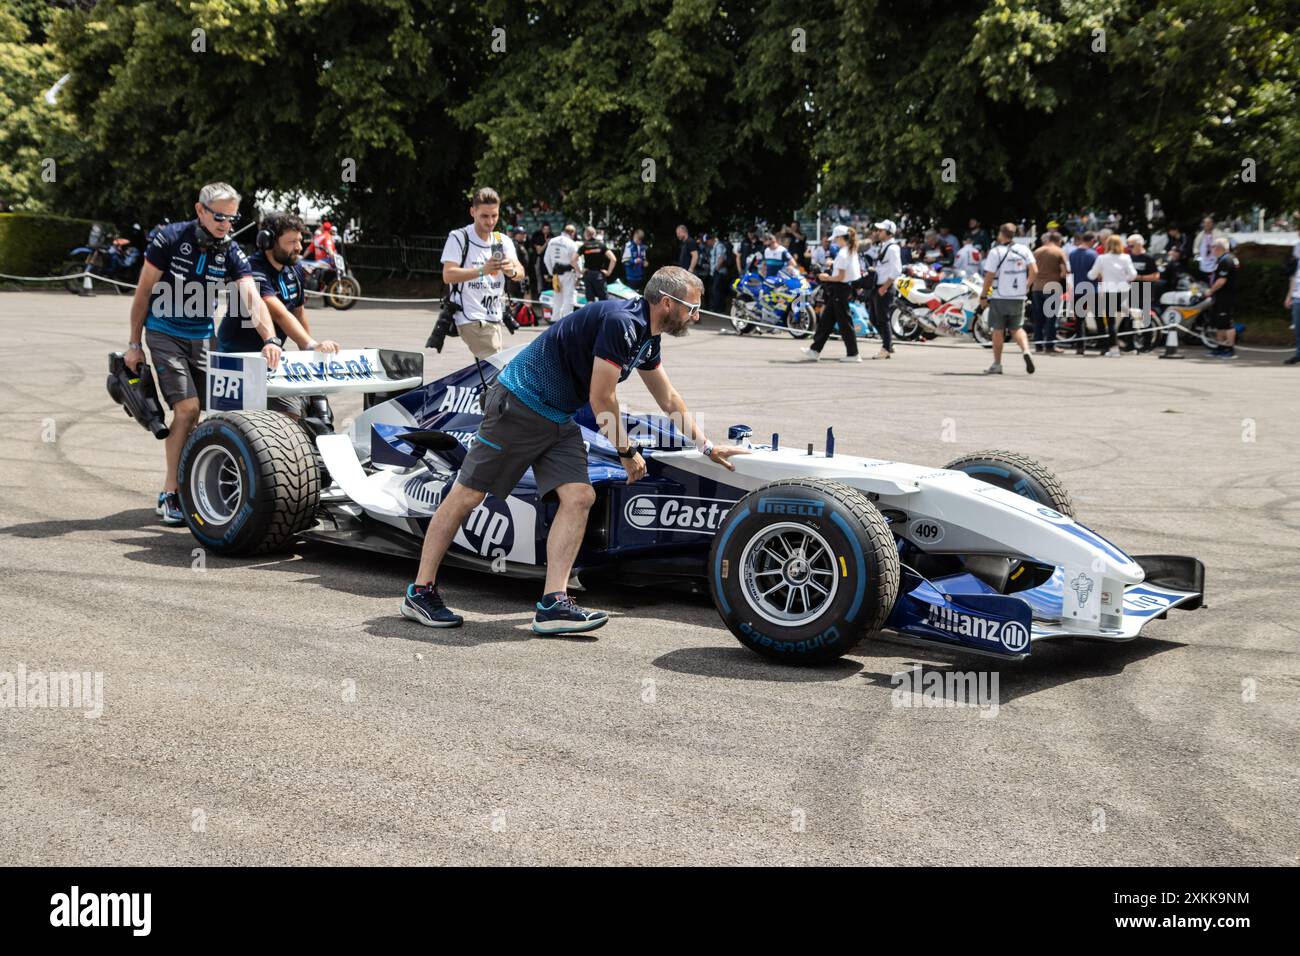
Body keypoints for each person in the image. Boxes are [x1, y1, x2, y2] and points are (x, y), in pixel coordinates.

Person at [399, 267, 750, 633]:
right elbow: (602, 398)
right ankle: (420, 592)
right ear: (666, 303)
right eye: (692, 309)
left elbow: (667, 397)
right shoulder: (621, 323)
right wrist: (626, 451)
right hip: (519, 404)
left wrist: (706, 446)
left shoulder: (648, 335)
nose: (695, 317)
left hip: (557, 416)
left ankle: (553, 603)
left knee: (580, 496)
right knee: (468, 494)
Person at [125, 182, 280, 525]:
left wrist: (270, 339)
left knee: (205, 413)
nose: (225, 224)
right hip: (164, 332)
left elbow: (251, 297)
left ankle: (192, 481)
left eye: (231, 218)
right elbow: (143, 292)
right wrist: (135, 344)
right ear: (200, 210)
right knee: (186, 409)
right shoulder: (169, 238)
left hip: (203, 336)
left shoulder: (231, 251)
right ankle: (170, 493)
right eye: (219, 216)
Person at [216, 211, 342, 417]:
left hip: (271, 359)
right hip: (237, 360)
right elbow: (280, 314)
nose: (299, 247)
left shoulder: (295, 269)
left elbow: (299, 313)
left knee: (298, 416)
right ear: (268, 242)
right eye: (291, 241)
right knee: (243, 423)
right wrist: (311, 345)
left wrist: (309, 348)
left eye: (300, 240)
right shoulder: (250, 269)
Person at [441, 187, 525, 359]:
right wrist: (482, 271)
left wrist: (511, 270)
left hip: (495, 316)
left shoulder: (501, 240)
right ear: (473, 211)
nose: (490, 221)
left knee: (486, 372)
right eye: (484, 216)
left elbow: (521, 272)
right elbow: (448, 275)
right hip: (470, 317)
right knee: (496, 368)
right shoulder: (459, 237)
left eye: (494, 215)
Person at [978, 222, 1037, 374]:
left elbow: (989, 276)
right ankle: (1026, 351)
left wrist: (984, 295)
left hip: (1000, 296)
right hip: (1018, 296)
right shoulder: (1024, 250)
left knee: (998, 330)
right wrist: (1027, 285)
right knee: (1017, 328)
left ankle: (997, 364)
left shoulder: (995, 252)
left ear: (1001, 234)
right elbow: (1034, 270)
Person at [801, 225, 861, 362]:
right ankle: (814, 350)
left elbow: (840, 277)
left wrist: (826, 277)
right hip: (843, 289)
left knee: (844, 322)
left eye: (835, 239)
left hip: (840, 288)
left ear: (840, 237)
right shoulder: (850, 250)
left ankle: (853, 354)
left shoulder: (843, 253)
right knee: (826, 321)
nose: (834, 241)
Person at [1086, 234, 1137, 357]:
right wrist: (1124, 278)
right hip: (1124, 290)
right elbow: (1133, 275)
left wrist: (1098, 274)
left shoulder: (1102, 258)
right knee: (1127, 317)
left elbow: (1092, 275)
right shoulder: (1126, 257)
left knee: (1111, 320)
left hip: (1110, 291)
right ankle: (1130, 345)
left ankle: (1114, 348)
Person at [1031, 230, 1070, 354]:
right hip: (1052, 288)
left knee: (1038, 319)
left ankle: (1038, 345)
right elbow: (1064, 272)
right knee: (1051, 318)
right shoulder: (1059, 252)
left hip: (1037, 288)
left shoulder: (1037, 251)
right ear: (1059, 241)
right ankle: (1050, 346)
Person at [870, 219, 902, 359]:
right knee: (873, 318)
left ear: (889, 233)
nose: (878, 232)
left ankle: (886, 348)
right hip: (879, 286)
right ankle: (888, 343)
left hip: (885, 287)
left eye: (881, 230)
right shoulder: (884, 246)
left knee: (882, 319)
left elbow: (896, 271)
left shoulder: (893, 248)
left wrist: (884, 287)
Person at [1205, 237, 1240, 359]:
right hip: (1222, 296)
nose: (1212, 250)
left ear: (1219, 248)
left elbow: (1221, 280)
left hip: (1226, 296)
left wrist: (1211, 290)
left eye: (1213, 247)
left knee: (1227, 323)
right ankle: (1220, 347)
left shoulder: (1226, 260)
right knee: (1220, 323)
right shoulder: (1225, 259)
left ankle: (1229, 349)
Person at [1068, 232, 1099, 355]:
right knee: (1099, 318)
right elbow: (1097, 273)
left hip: (1078, 290)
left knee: (1080, 320)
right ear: (1091, 240)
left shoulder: (1072, 254)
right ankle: (1102, 344)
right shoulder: (1093, 254)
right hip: (1092, 290)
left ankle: (1080, 346)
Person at [1127, 234, 1160, 346]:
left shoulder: (1148, 258)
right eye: (1129, 246)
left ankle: (1147, 343)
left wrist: (1140, 278)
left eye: (1132, 245)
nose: (1130, 248)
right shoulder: (1128, 257)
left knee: (1145, 317)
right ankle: (1131, 342)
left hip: (1145, 289)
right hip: (1131, 289)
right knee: (1132, 318)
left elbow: (1156, 276)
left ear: (1139, 244)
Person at [544, 223, 581, 322]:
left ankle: (555, 319)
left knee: (557, 297)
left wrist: (551, 272)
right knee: (568, 297)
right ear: (572, 233)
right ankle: (567, 320)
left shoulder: (552, 241)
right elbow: (577, 260)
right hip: (568, 273)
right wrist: (579, 275)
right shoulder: (572, 243)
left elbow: (546, 259)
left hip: (556, 274)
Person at [577, 226, 616, 302]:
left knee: (590, 300)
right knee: (603, 300)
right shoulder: (601, 245)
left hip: (588, 275)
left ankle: (592, 314)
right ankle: (603, 314)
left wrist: (580, 271)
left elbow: (573, 260)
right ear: (594, 234)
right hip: (599, 275)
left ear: (586, 234)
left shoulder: (584, 246)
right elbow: (613, 259)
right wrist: (608, 272)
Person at [1285, 238, 1300, 365]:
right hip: (1297, 296)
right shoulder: (1298, 262)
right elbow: (1294, 278)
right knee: (1298, 328)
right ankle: (1298, 354)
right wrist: (1289, 296)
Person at [708, 232, 731, 314]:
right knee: (717, 290)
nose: (707, 243)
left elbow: (721, 258)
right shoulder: (715, 246)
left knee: (717, 290)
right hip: (716, 271)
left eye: (708, 241)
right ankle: (718, 308)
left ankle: (718, 309)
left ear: (712, 240)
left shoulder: (719, 246)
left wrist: (716, 269)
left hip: (719, 272)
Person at [531, 221, 554, 300]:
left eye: (548, 229)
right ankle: (540, 294)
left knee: (550, 278)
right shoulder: (538, 236)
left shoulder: (552, 236)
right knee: (540, 278)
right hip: (540, 260)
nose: (546, 231)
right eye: (545, 229)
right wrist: (546, 243)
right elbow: (539, 251)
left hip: (551, 260)